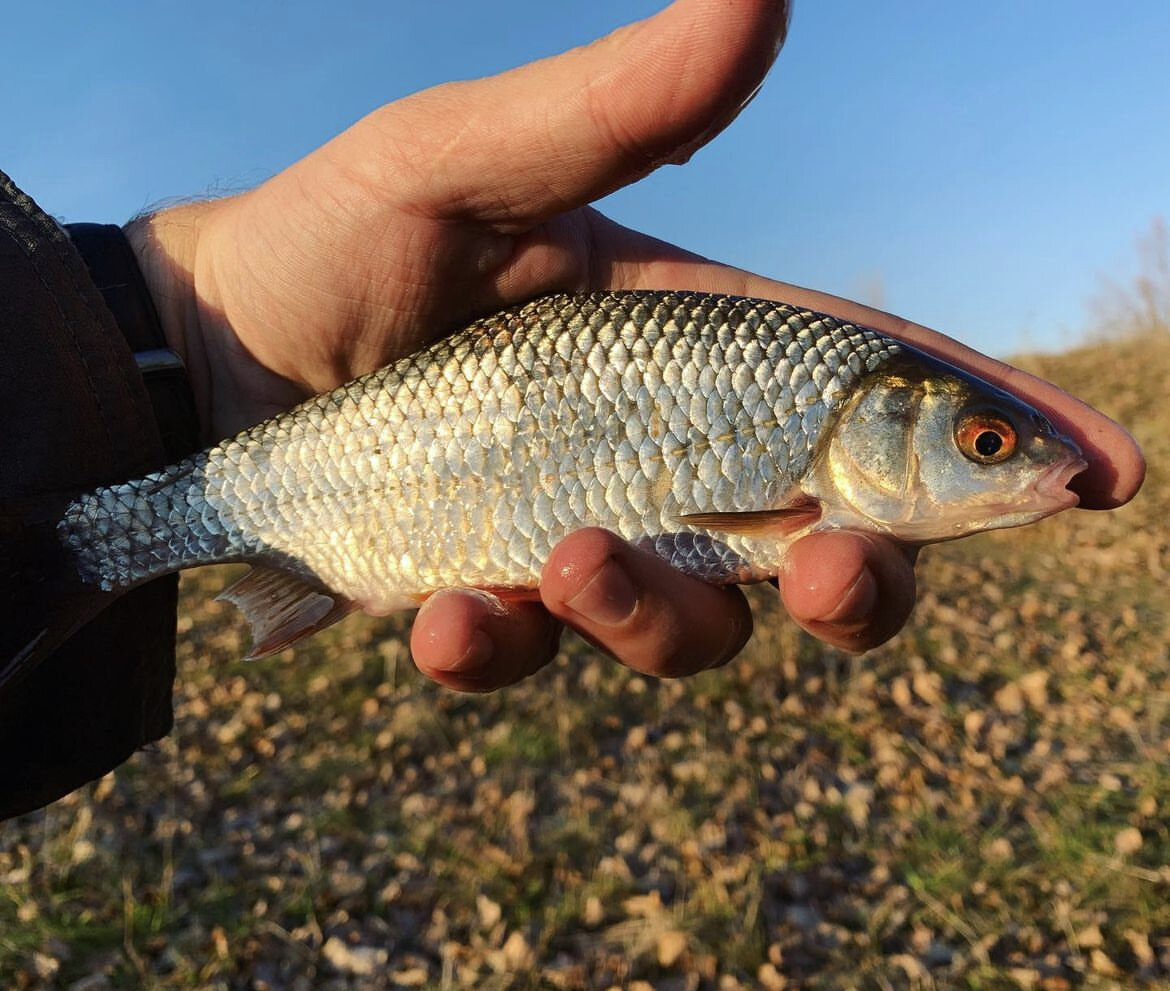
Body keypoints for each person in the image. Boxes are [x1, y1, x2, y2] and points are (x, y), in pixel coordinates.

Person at [0, 0, 1144, 816]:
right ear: (875, 425)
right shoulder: (809, 440)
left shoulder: (821, 415)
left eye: (989, 441)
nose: (1025, 465)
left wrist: (161, 343)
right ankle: (65, 553)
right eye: (988, 443)